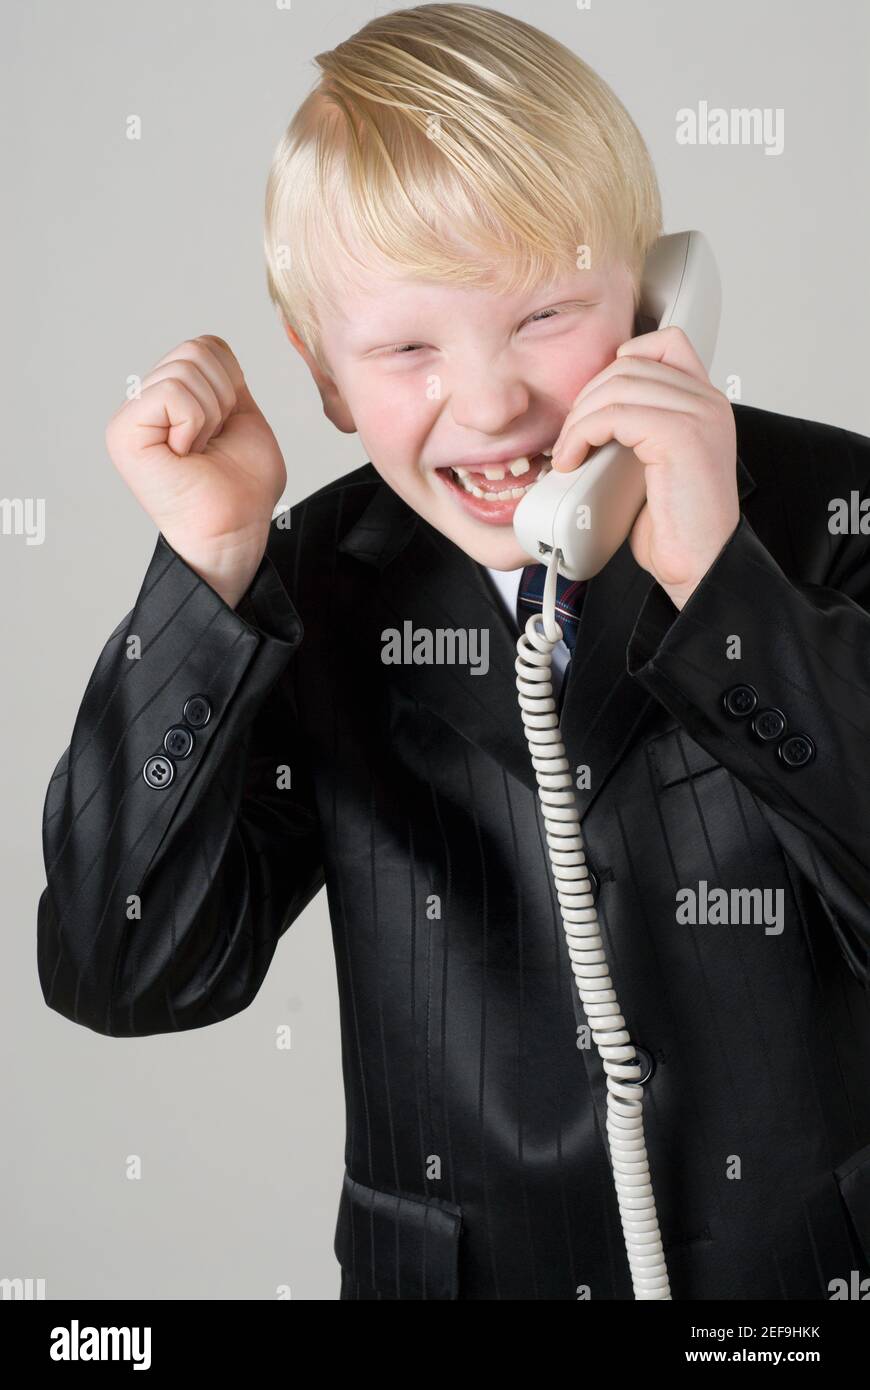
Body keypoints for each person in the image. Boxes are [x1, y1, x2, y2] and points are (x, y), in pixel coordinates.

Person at [37, 4, 870, 1300]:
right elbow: (123, 971)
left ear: (654, 302)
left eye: (543, 315)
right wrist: (209, 575)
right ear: (324, 380)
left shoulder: (829, 517)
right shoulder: (309, 587)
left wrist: (721, 589)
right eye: (407, 347)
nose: (489, 402)